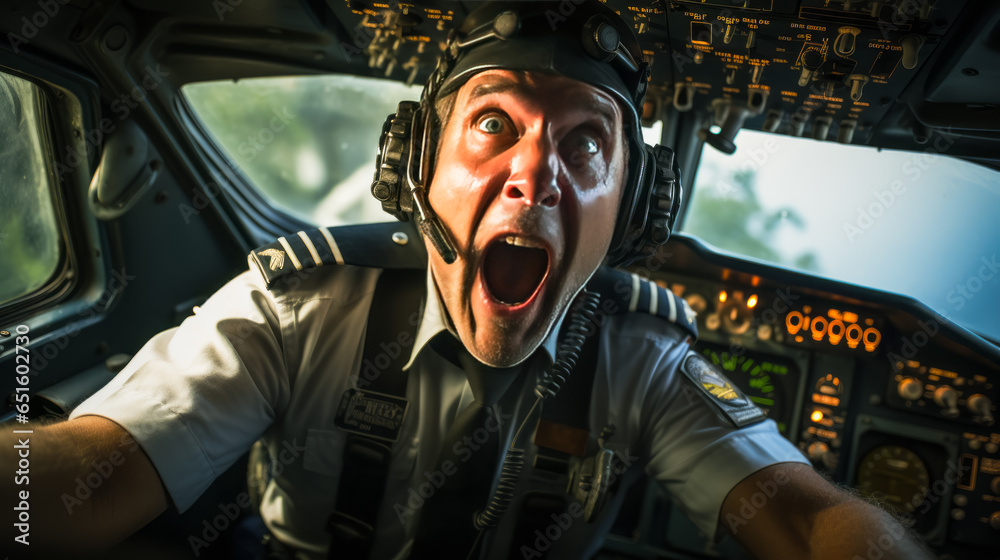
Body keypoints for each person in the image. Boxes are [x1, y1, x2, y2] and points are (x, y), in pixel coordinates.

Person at [2, 1, 935, 559]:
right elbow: (89, 476)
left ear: (632, 212)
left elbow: (806, 524)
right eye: (494, 125)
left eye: (586, 144)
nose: (536, 174)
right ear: (416, 166)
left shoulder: (644, 359)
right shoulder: (298, 307)